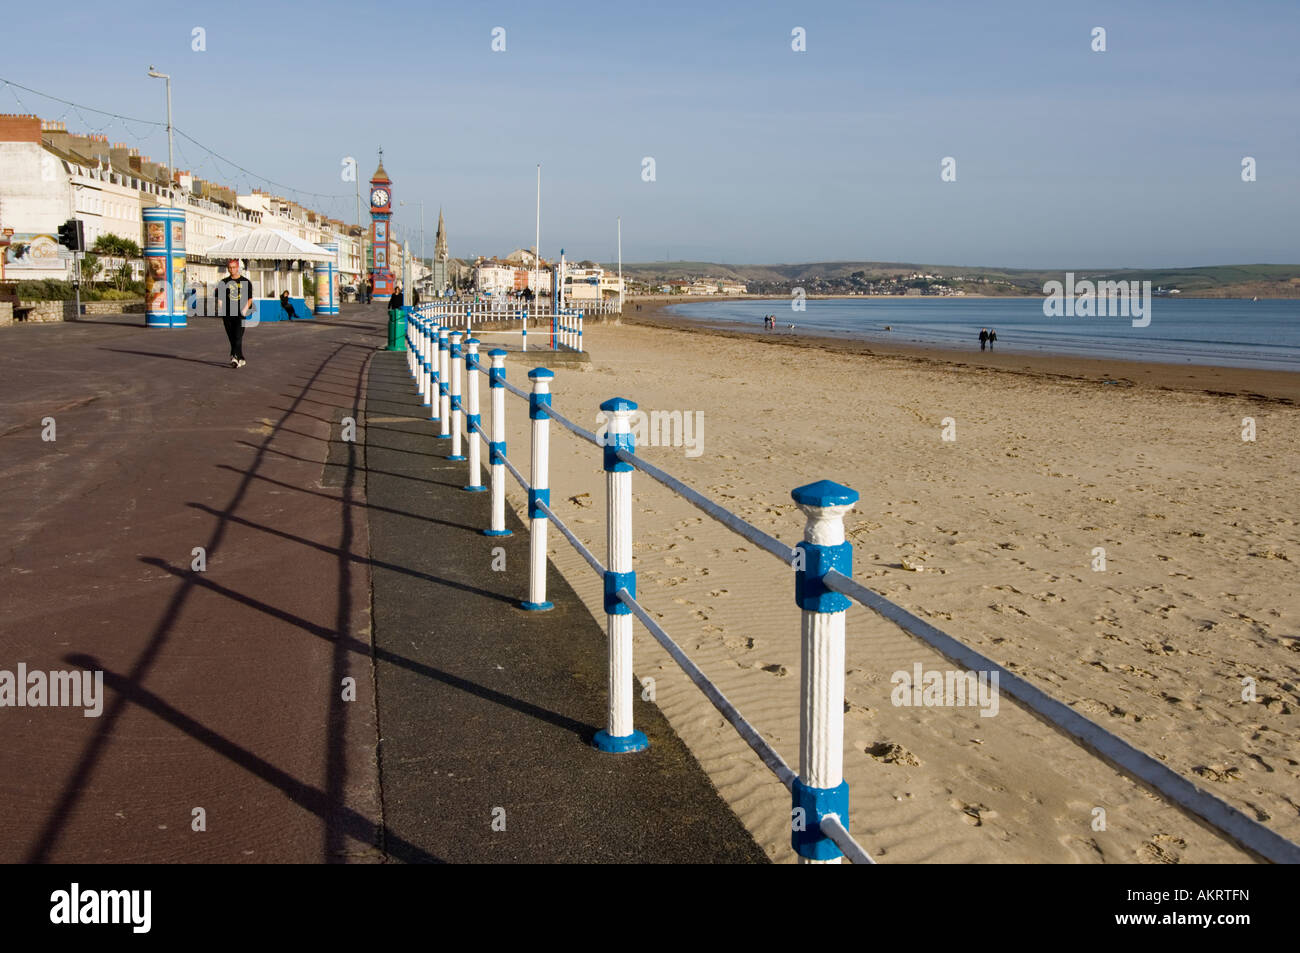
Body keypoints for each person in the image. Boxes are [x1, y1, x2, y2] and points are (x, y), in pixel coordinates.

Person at [215, 258, 254, 367]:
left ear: (238, 268)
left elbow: (250, 298)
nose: (231, 270)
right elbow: (220, 298)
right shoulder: (224, 282)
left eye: (233, 267)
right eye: (230, 268)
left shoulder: (245, 282)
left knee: (238, 335)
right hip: (227, 314)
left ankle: (234, 357)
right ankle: (241, 357)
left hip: (240, 313)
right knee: (232, 337)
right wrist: (222, 309)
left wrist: (245, 310)